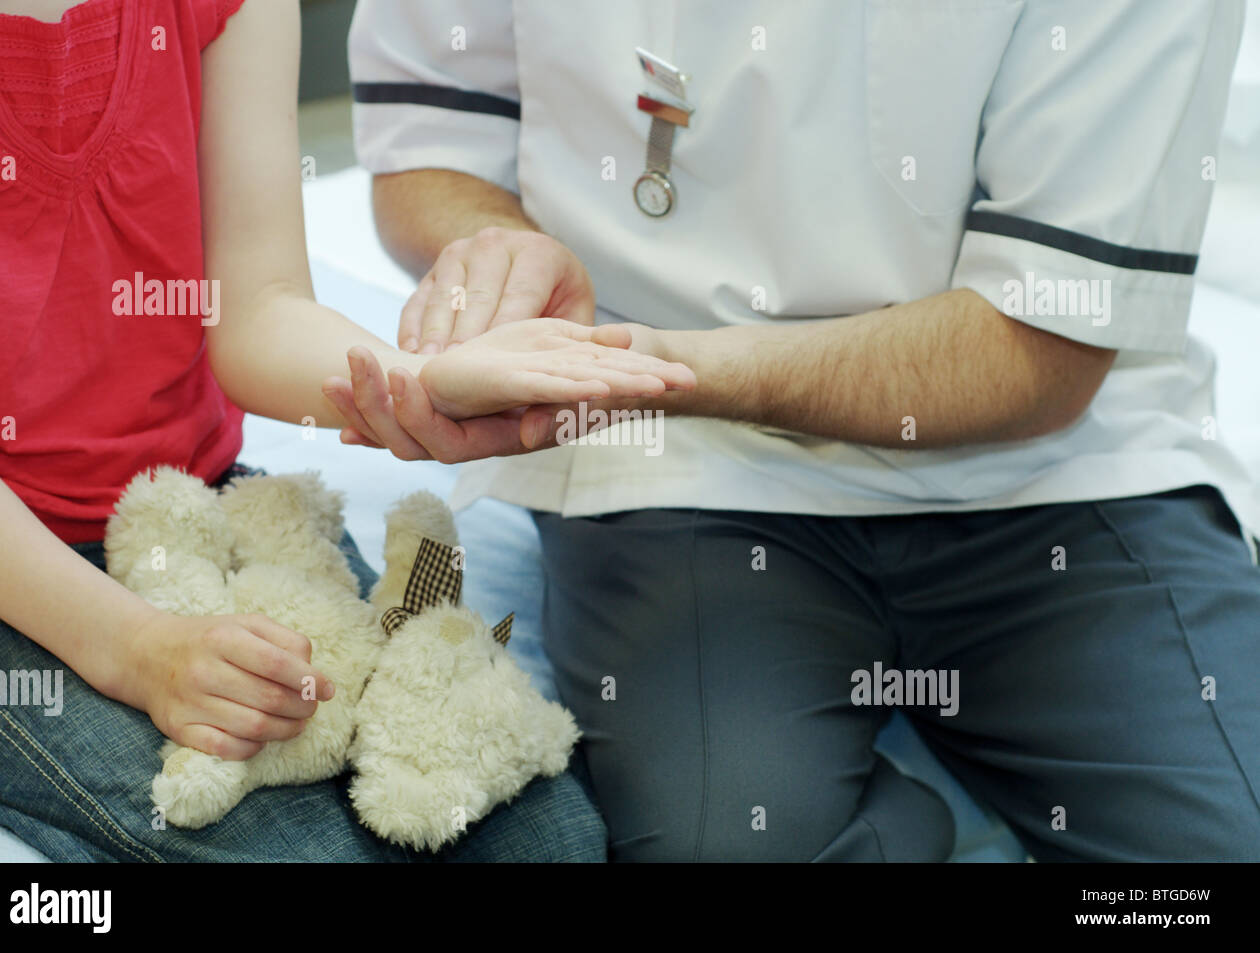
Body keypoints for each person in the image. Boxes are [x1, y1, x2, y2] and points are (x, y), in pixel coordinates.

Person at [332, 0, 1260, 861]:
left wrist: (649, 365)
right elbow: (434, 146)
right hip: (683, 472)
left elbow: (1036, 357)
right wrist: (509, 253)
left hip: (1054, 474)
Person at [0, 0, 695, 861]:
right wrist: (134, 649)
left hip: (193, 502)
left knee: (543, 834)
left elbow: (259, 308)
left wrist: (419, 387)